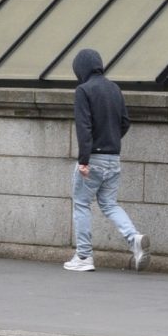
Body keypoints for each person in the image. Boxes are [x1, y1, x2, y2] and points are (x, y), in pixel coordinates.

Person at [64, 47, 148, 273]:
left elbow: (84, 127)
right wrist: (111, 140)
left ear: (80, 69)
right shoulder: (114, 88)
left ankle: (84, 256)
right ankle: (134, 239)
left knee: (81, 204)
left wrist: (84, 160)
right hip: (113, 158)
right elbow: (125, 122)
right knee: (109, 204)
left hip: (93, 158)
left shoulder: (84, 90)